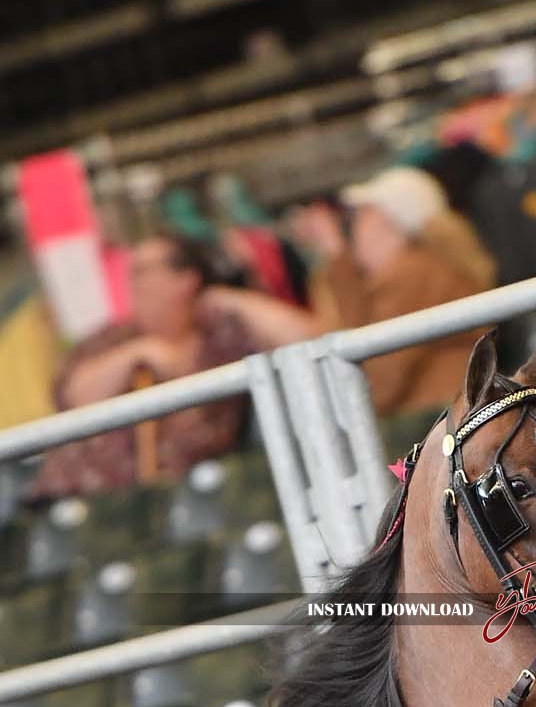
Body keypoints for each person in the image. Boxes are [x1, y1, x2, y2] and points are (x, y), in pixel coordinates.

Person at [31, 232, 317, 500]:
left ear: (186, 280)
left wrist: (234, 300)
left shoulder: (219, 337)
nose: (134, 282)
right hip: (82, 500)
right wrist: (136, 355)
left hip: (187, 502)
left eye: (144, 270)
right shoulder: (113, 339)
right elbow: (72, 397)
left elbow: (312, 341)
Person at [301, 167, 497, 416]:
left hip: (437, 424)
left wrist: (339, 261)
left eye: (363, 214)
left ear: (391, 223)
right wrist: (339, 265)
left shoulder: (413, 276)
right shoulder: (423, 271)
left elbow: (376, 387)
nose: (355, 228)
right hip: (443, 419)